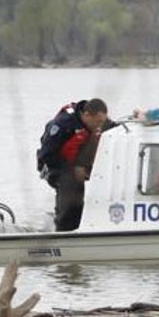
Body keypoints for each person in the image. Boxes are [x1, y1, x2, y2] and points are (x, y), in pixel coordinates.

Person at [37, 98, 109, 231]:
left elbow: (112, 126)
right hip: (53, 165)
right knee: (72, 192)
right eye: (98, 122)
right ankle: (65, 229)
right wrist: (73, 169)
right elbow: (46, 156)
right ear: (87, 115)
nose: (100, 126)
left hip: (74, 163)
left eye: (102, 122)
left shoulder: (93, 119)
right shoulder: (63, 124)